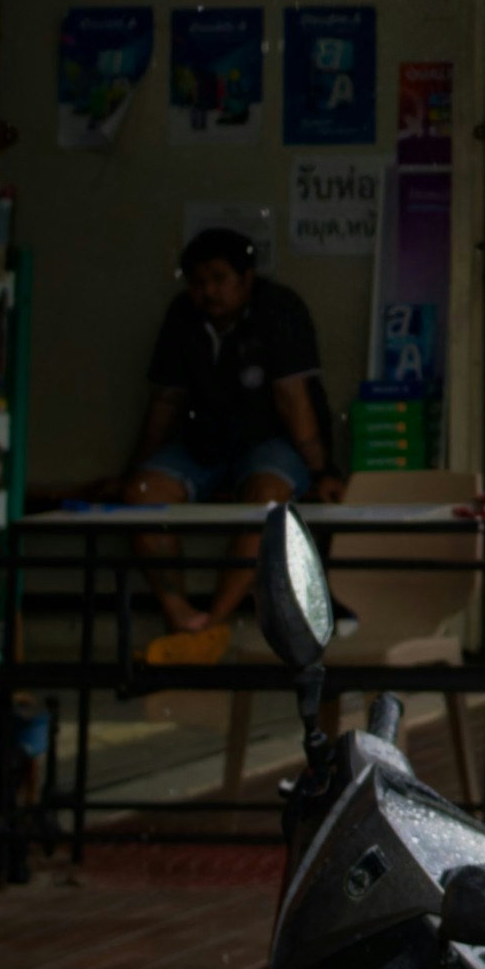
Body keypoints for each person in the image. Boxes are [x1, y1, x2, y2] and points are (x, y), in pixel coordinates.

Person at [118, 222, 346, 666]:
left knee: (267, 501)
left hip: (271, 442)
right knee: (140, 497)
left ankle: (214, 624)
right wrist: (135, 470)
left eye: (219, 279)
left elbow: (292, 398)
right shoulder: (183, 316)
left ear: (246, 278)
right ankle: (182, 620)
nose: (208, 292)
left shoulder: (279, 308)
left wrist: (322, 472)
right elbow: (166, 401)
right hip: (204, 444)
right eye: (198, 282)